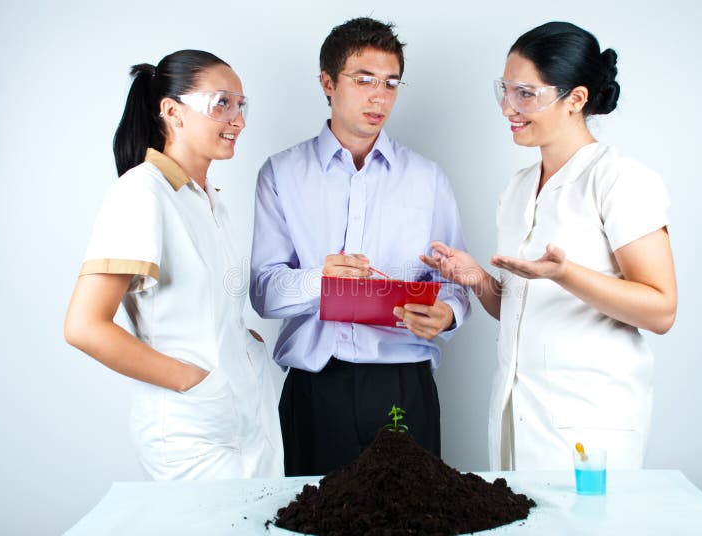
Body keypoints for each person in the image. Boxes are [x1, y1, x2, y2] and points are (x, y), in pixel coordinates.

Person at [422, 22, 677, 470]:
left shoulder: (620, 180)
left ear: (575, 99)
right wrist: (478, 279)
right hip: (515, 412)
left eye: (526, 94)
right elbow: (519, 310)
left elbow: (661, 310)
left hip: (591, 417)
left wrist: (566, 274)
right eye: (504, 90)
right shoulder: (518, 189)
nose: (507, 108)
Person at [250, 17, 471, 476]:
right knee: (312, 520)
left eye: (391, 84)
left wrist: (449, 312)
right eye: (364, 80)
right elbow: (263, 292)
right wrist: (319, 280)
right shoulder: (281, 174)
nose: (379, 97)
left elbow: (457, 281)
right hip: (316, 387)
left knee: (415, 521)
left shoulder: (427, 179)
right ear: (328, 83)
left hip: (403, 383)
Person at [64, 50, 283, 480]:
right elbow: (84, 326)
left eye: (241, 105)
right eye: (221, 103)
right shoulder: (141, 193)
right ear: (172, 111)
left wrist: (245, 346)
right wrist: (194, 381)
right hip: (193, 431)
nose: (237, 120)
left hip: (249, 419)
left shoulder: (208, 199)